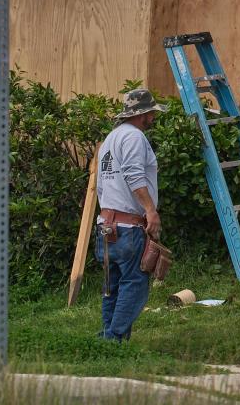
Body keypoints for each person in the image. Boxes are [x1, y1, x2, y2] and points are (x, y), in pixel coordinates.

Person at [93, 87, 167, 341]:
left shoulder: (110, 139)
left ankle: (109, 338)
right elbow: (134, 175)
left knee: (111, 286)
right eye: (151, 113)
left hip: (106, 225)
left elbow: (101, 186)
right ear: (141, 114)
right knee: (134, 283)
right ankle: (113, 339)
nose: (153, 118)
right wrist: (150, 210)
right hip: (127, 228)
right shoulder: (135, 137)